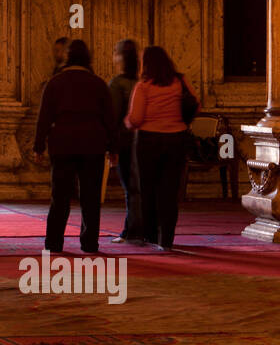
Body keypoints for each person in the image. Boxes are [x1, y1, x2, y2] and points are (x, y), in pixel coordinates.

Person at [32, 39, 117, 254]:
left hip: (62, 144)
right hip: (92, 144)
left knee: (59, 196)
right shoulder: (98, 84)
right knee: (90, 197)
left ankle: (54, 243)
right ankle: (89, 243)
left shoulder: (55, 82)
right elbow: (110, 119)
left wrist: (38, 146)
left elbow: (44, 117)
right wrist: (113, 148)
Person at [126, 45, 199, 251]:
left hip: (149, 141)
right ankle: (167, 238)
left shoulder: (143, 86)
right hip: (176, 139)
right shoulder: (180, 81)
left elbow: (136, 118)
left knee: (148, 190)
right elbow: (197, 104)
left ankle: (150, 235)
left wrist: (127, 123)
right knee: (169, 191)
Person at [108, 39, 144, 245]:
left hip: (126, 141)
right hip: (145, 141)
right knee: (140, 187)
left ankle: (132, 230)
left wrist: (111, 147)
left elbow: (113, 118)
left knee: (131, 188)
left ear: (121, 57)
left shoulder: (117, 84)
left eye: (115, 52)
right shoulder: (142, 83)